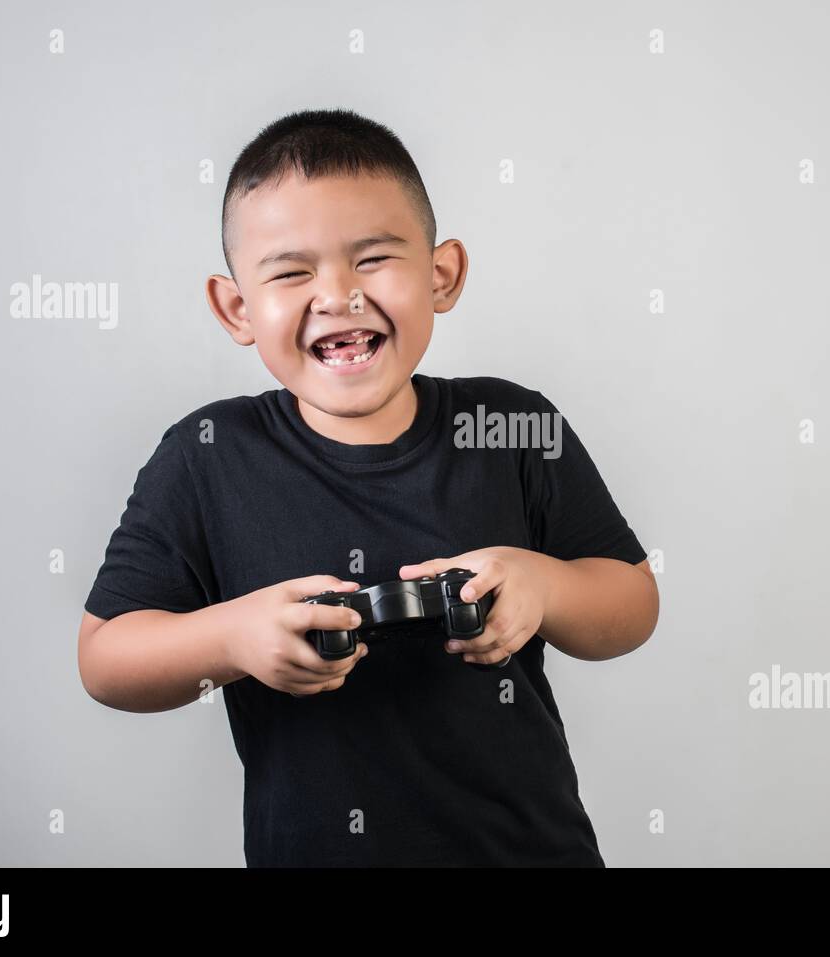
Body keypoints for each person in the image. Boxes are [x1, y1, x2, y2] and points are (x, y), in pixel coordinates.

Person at [77, 108, 659, 866]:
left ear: (441, 273)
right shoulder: (205, 457)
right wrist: (232, 638)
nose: (339, 295)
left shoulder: (511, 424)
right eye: (291, 271)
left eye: (374, 259)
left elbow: (633, 602)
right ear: (236, 308)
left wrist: (540, 585)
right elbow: (105, 657)